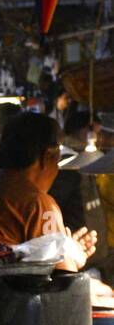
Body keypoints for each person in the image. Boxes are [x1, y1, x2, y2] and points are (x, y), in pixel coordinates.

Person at [0, 112, 96, 273]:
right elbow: (64, 279)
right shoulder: (38, 203)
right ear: (48, 156)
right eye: (57, 160)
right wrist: (71, 258)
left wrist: (65, 249)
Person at [50, 107, 112, 280]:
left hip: (94, 254)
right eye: (97, 134)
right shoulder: (67, 164)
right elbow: (55, 208)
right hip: (81, 258)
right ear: (86, 132)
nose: (100, 139)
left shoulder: (89, 160)